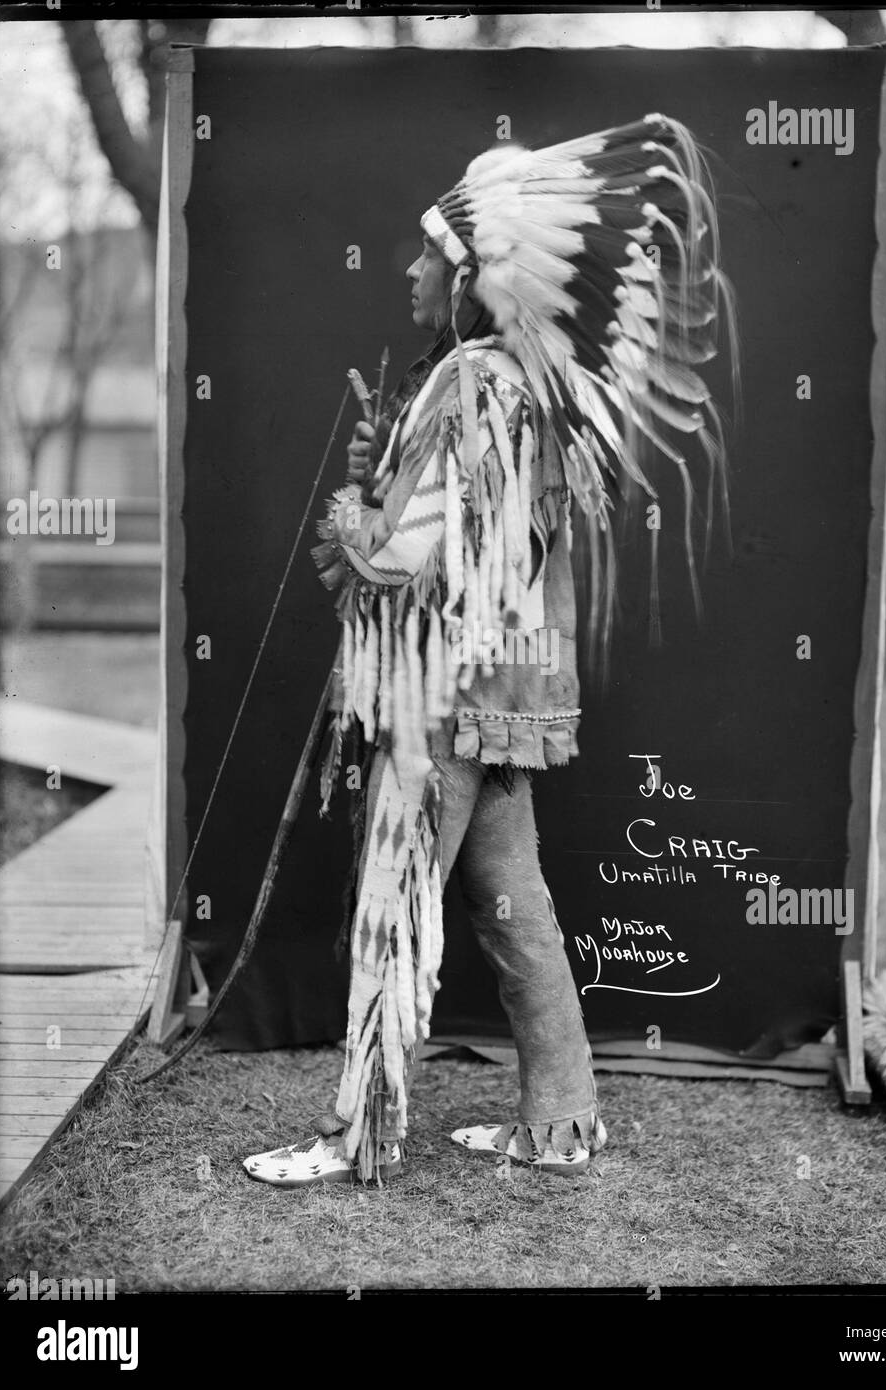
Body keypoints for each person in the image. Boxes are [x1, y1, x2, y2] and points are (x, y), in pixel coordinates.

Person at [243, 113, 734, 1187]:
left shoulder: (471, 381)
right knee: (512, 897)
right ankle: (560, 1124)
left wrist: (349, 516)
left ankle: (354, 1131)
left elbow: (404, 557)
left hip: (441, 689)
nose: (414, 268)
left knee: (396, 892)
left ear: (469, 278)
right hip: (504, 689)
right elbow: (484, 533)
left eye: (431, 252)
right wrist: (391, 468)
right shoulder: (524, 387)